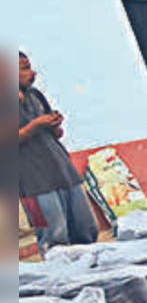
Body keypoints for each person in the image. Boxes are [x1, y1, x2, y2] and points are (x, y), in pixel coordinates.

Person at [18, 51, 98, 251]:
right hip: (32, 182)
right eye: (25, 68)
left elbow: (57, 135)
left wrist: (54, 125)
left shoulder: (35, 95)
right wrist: (36, 125)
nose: (33, 73)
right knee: (55, 237)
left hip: (63, 171)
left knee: (86, 229)